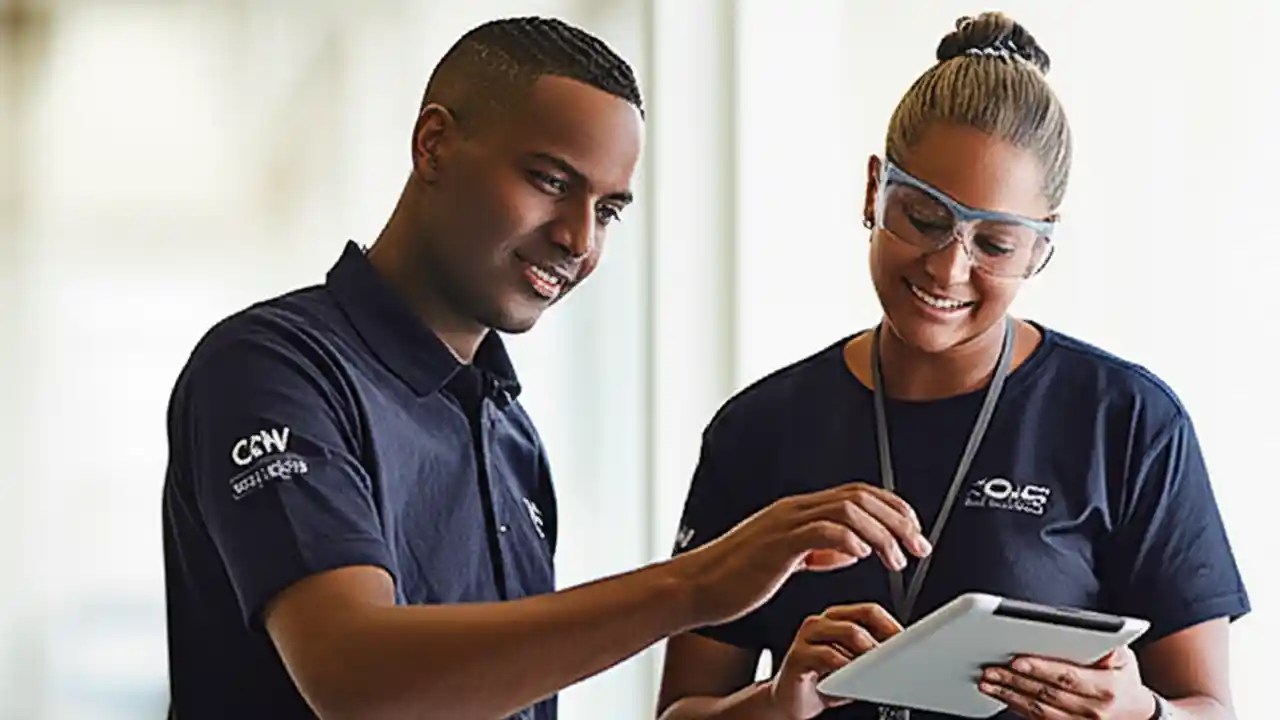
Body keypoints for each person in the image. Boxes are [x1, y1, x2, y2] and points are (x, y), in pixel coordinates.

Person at [161, 15, 933, 720]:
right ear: (433, 144)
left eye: (607, 209)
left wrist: (780, 704)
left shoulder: (509, 432)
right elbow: (355, 681)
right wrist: (698, 584)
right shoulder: (271, 369)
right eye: (551, 181)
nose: (578, 240)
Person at [657, 12, 1248, 720]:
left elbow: (1209, 709)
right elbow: (679, 713)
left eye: (995, 242)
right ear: (874, 189)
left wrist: (1138, 712)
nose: (948, 267)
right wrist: (778, 703)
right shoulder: (759, 429)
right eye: (924, 218)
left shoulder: (1126, 421)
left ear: (1040, 246)